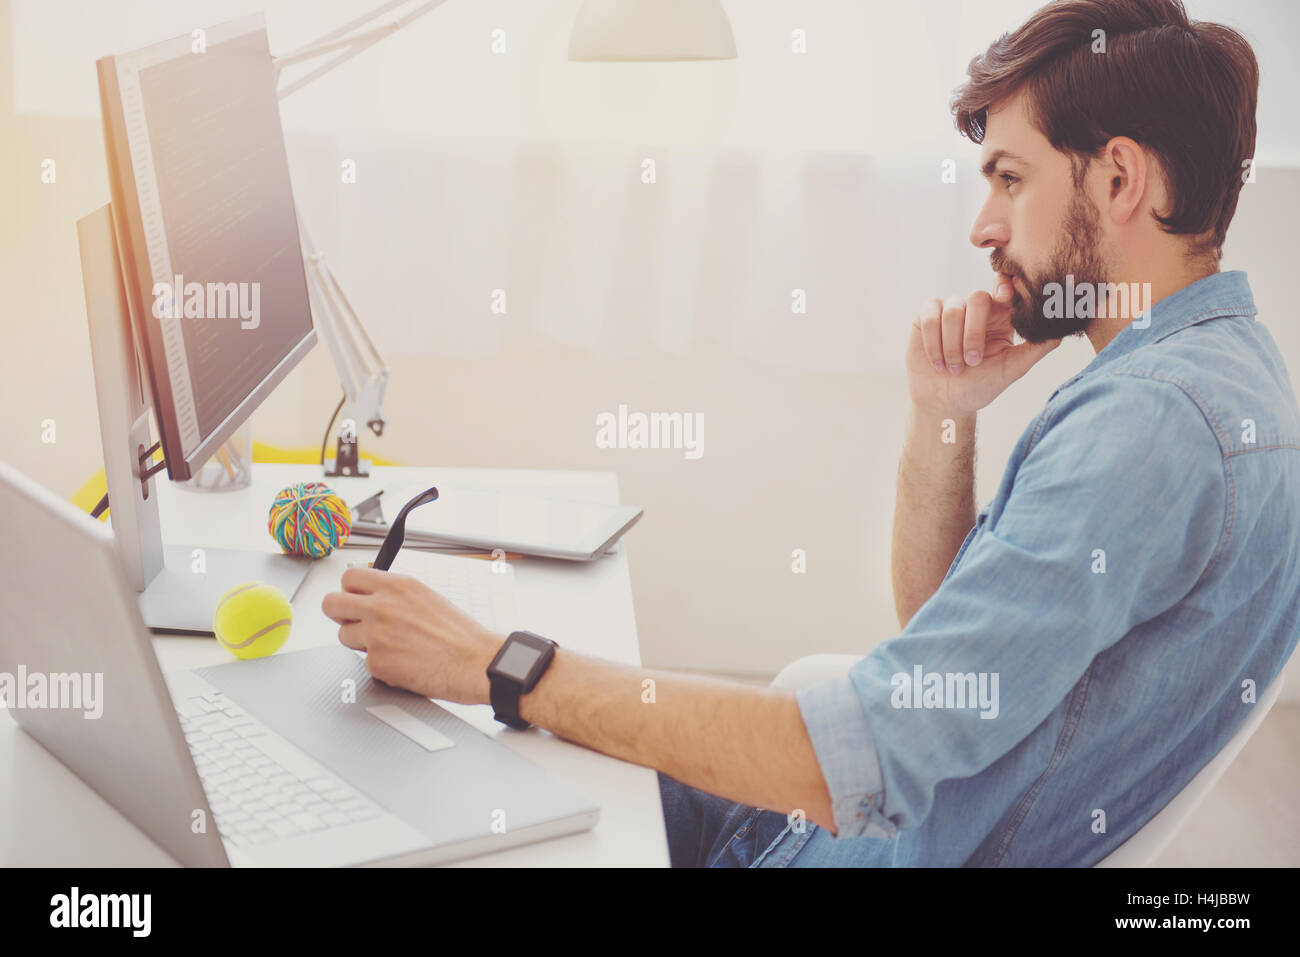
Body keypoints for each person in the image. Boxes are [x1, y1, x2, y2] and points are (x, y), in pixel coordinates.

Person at [321, 0, 1299, 866]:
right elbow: (948, 646)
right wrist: (941, 415)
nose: (982, 226)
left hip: (819, 838)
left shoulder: (1150, 430)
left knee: (423, 795)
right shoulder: (1204, 375)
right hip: (802, 825)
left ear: (1118, 177)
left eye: (1008, 178)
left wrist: (501, 663)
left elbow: (867, 757)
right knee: (437, 768)